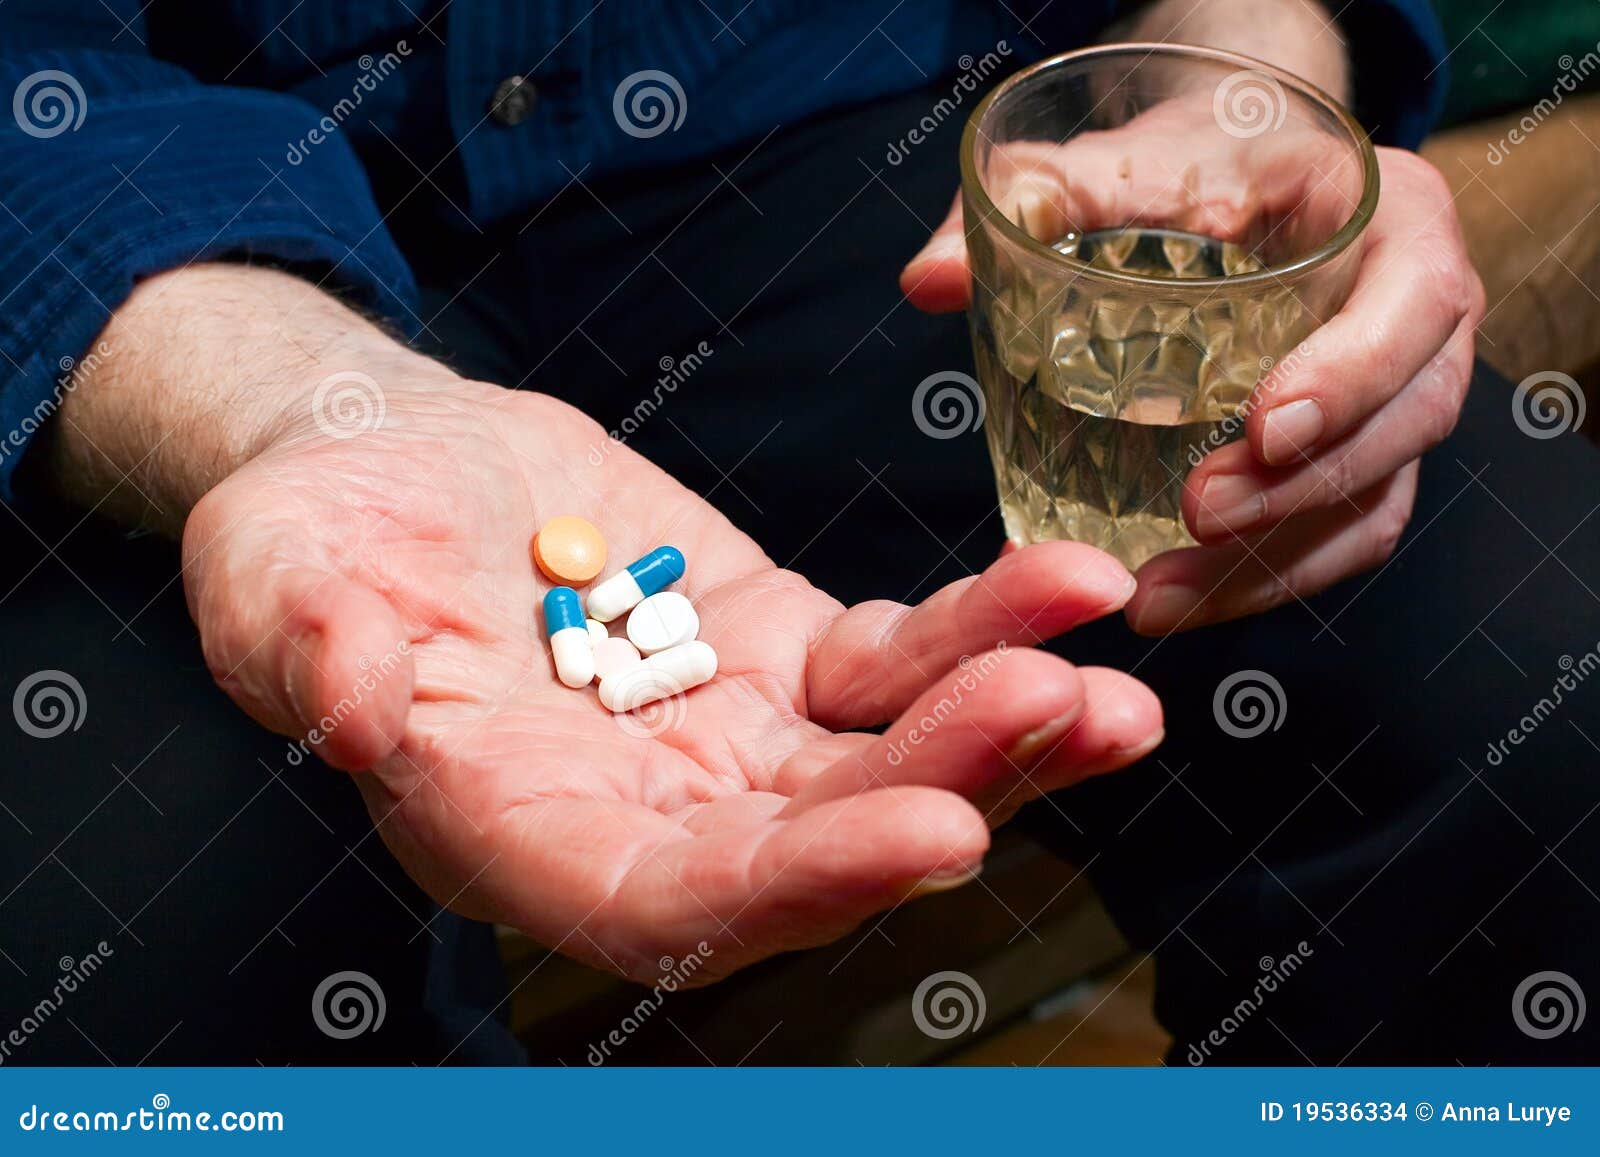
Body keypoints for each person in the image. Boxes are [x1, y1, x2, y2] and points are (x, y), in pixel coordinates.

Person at [0, 0, 1593, 1065]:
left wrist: (1241, 63)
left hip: (867, 164)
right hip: (172, 232)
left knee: (1539, 669)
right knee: (111, 917)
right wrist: (289, 402)